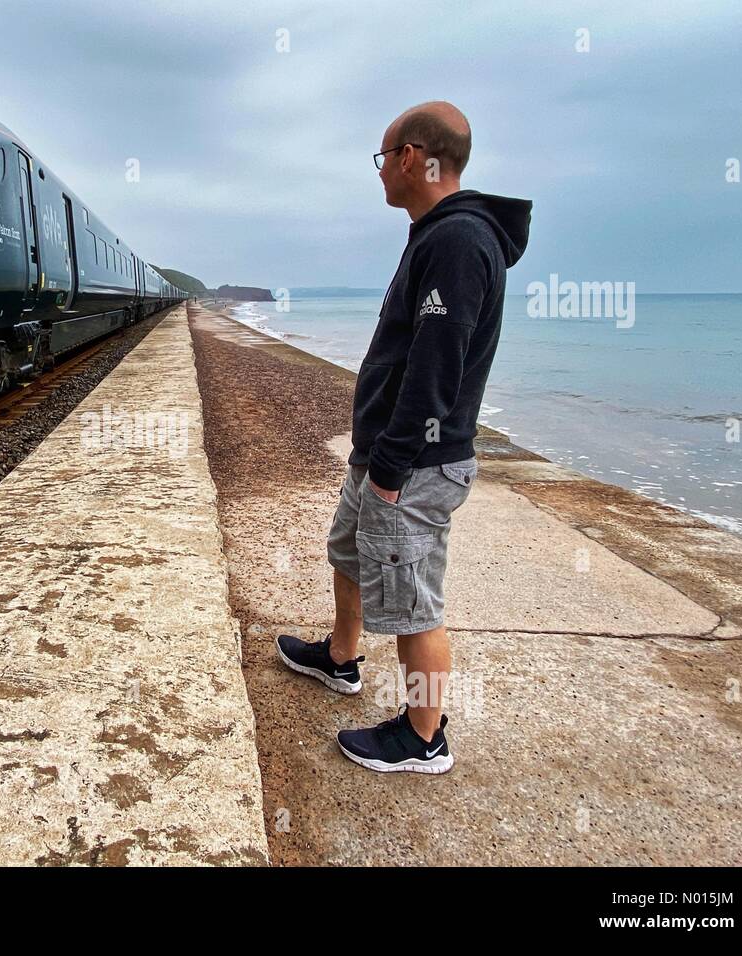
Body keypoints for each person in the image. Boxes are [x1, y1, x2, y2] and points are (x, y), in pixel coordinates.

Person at [276, 101, 531, 774]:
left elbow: (436, 365)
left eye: (383, 157)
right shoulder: (433, 233)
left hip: (414, 463)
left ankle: (424, 736)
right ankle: (340, 659)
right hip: (385, 453)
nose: (382, 171)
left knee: (415, 604)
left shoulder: (457, 240)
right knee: (350, 555)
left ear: (414, 157)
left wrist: (391, 464)